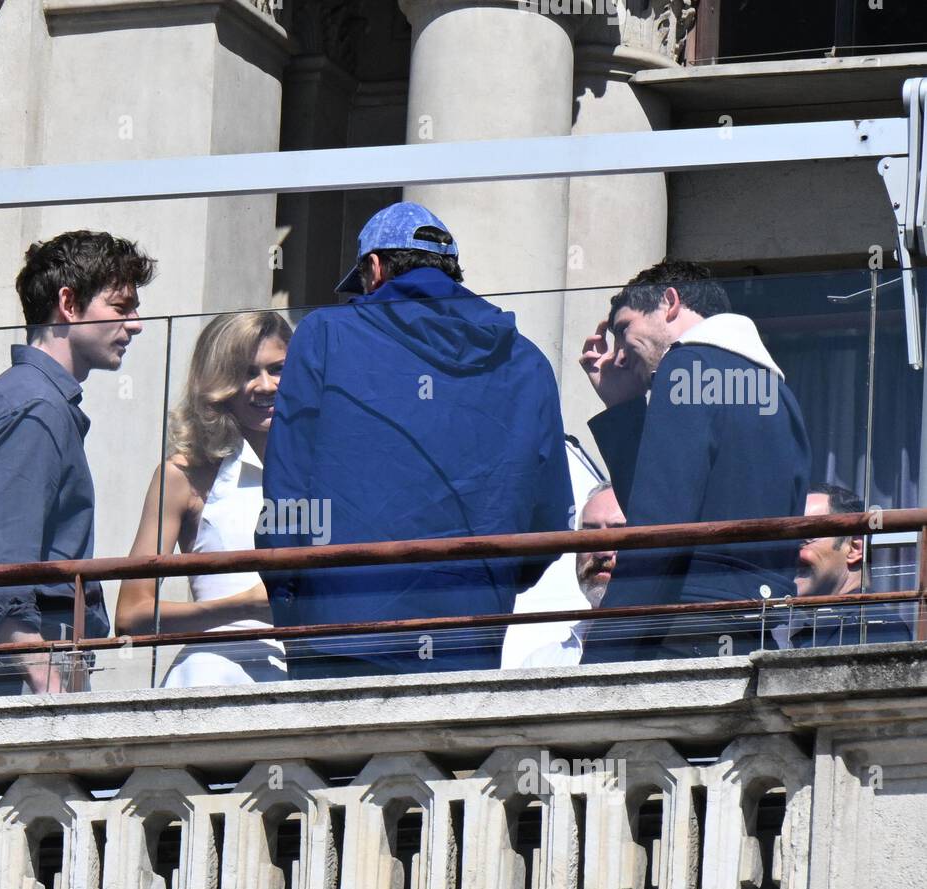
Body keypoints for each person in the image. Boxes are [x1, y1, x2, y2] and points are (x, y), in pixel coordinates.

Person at [258, 201, 573, 678]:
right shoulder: (528, 362)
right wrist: (493, 586)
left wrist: (292, 606)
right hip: (470, 636)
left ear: (376, 267)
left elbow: (287, 489)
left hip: (337, 631)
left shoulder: (324, 333)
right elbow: (550, 518)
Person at [0, 230, 156, 697]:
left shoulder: (14, 396)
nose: (136, 324)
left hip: (12, 667)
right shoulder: (37, 408)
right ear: (69, 304)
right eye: (121, 306)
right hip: (27, 676)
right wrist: (45, 675)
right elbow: (0, 565)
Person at [578, 260, 811, 663]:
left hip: (681, 630)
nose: (618, 353)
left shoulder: (685, 364)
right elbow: (674, 502)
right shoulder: (773, 388)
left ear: (669, 303)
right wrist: (623, 407)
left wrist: (606, 645)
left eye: (623, 329)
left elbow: (658, 525)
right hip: (747, 626)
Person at [115, 311, 292, 686]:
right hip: (215, 675)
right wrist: (245, 605)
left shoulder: (323, 467)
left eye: (277, 369)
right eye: (246, 373)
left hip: (314, 676)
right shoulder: (182, 475)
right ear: (219, 382)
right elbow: (132, 614)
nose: (266, 385)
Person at [774, 482, 912, 648]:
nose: (791, 553)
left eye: (805, 536)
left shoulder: (876, 627)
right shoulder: (822, 628)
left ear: (854, 549)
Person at [519, 482, 626, 667]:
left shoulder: (676, 647)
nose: (603, 552)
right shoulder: (541, 664)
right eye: (590, 534)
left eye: (619, 533)